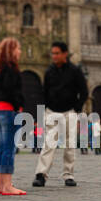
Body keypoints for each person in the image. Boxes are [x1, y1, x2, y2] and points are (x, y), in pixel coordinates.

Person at [34, 41, 89, 187]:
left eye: (57, 53)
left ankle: (68, 175)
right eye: (53, 53)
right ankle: (41, 174)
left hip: (69, 111)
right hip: (51, 111)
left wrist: (77, 108)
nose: (54, 56)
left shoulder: (75, 71)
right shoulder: (49, 71)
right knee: (48, 144)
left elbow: (83, 91)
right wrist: (45, 108)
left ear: (65, 54)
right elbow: (43, 91)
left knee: (70, 145)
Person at [0, 38, 26, 195]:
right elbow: (13, 92)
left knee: (1, 148)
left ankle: (0, 184)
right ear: (11, 51)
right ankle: (7, 185)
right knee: (9, 148)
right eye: (18, 49)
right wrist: (19, 105)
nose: (20, 52)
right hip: (7, 111)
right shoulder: (11, 70)